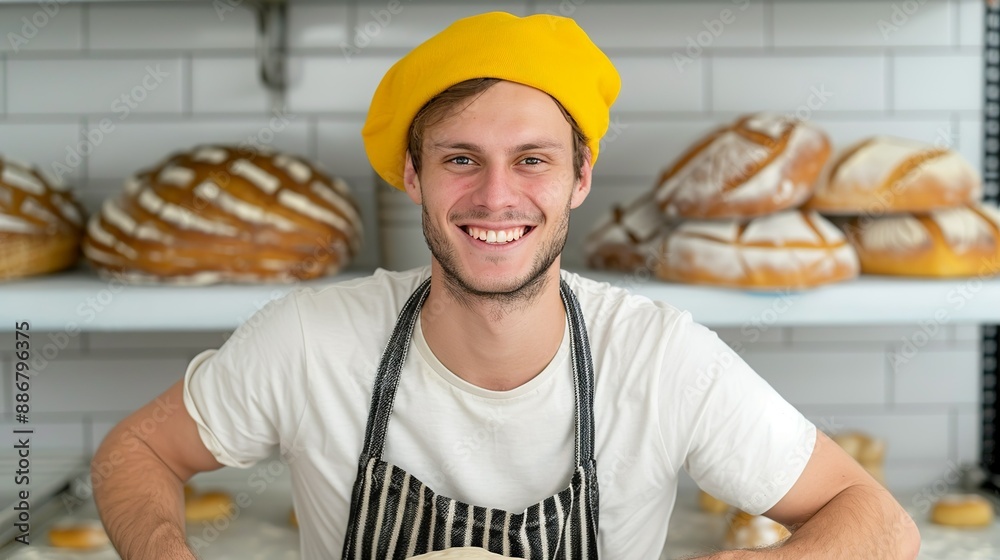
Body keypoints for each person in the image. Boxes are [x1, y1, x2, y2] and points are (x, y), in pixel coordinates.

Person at [92, 11, 920, 560]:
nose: (496, 198)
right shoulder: (311, 338)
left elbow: (879, 522)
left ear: (579, 178)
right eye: (461, 160)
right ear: (413, 176)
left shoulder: (660, 358)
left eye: (532, 160)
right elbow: (136, 450)